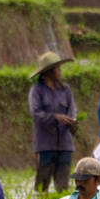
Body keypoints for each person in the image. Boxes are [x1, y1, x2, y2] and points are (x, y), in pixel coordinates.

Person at [28, 52, 77, 191]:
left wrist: (70, 120)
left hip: (65, 145)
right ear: (48, 72)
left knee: (63, 188)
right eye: (57, 68)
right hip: (45, 145)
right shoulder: (36, 91)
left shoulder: (65, 90)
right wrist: (55, 117)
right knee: (41, 186)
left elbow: (72, 110)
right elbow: (36, 114)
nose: (59, 71)